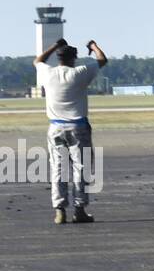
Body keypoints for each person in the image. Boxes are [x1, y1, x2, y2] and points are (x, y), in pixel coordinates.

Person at [34, 38, 109, 224]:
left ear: (58, 58)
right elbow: (102, 60)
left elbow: (38, 61)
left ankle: (59, 210)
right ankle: (79, 209)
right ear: (74, 58)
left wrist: (54, 45)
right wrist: (93, 46)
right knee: (81, 168)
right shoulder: (79, 73)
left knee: (57, 169)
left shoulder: (48, 73)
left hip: (55, 127)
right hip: (78, 127)